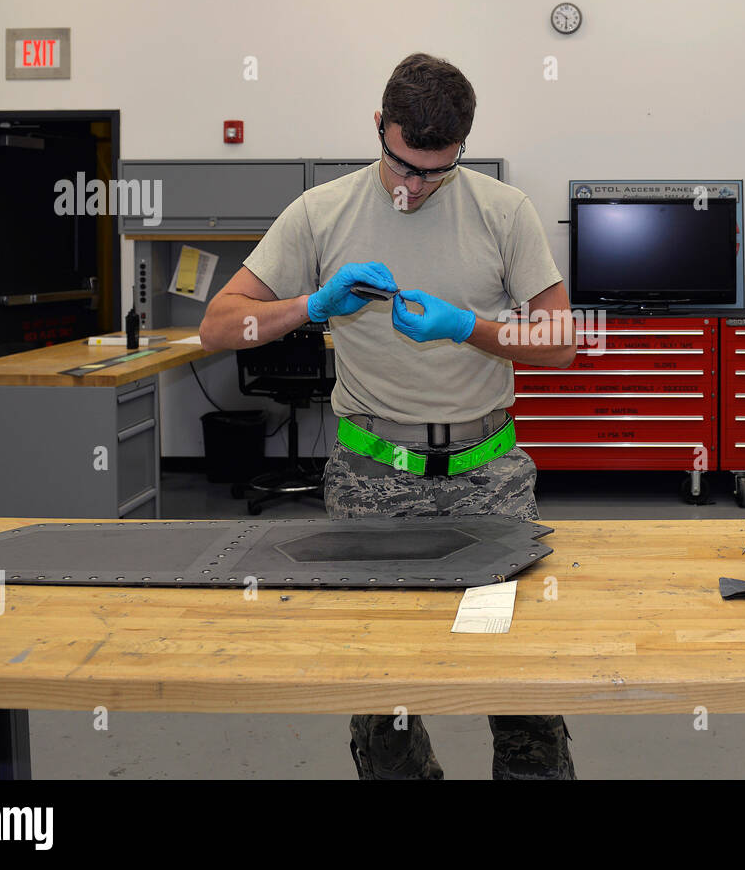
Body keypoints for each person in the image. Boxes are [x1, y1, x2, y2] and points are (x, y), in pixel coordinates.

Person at [200, 52, 578, 779]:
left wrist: (468, 326)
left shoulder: (505, 211)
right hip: (373, 477)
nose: (415, 186)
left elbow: (561, 345)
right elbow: (219, 326)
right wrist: (309, 307)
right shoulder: (320, 212)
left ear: (463, 147)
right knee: (382, 691)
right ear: (379, 126)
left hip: (488, 478)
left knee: (519, 679)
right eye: (404, 165)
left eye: (436, 171)